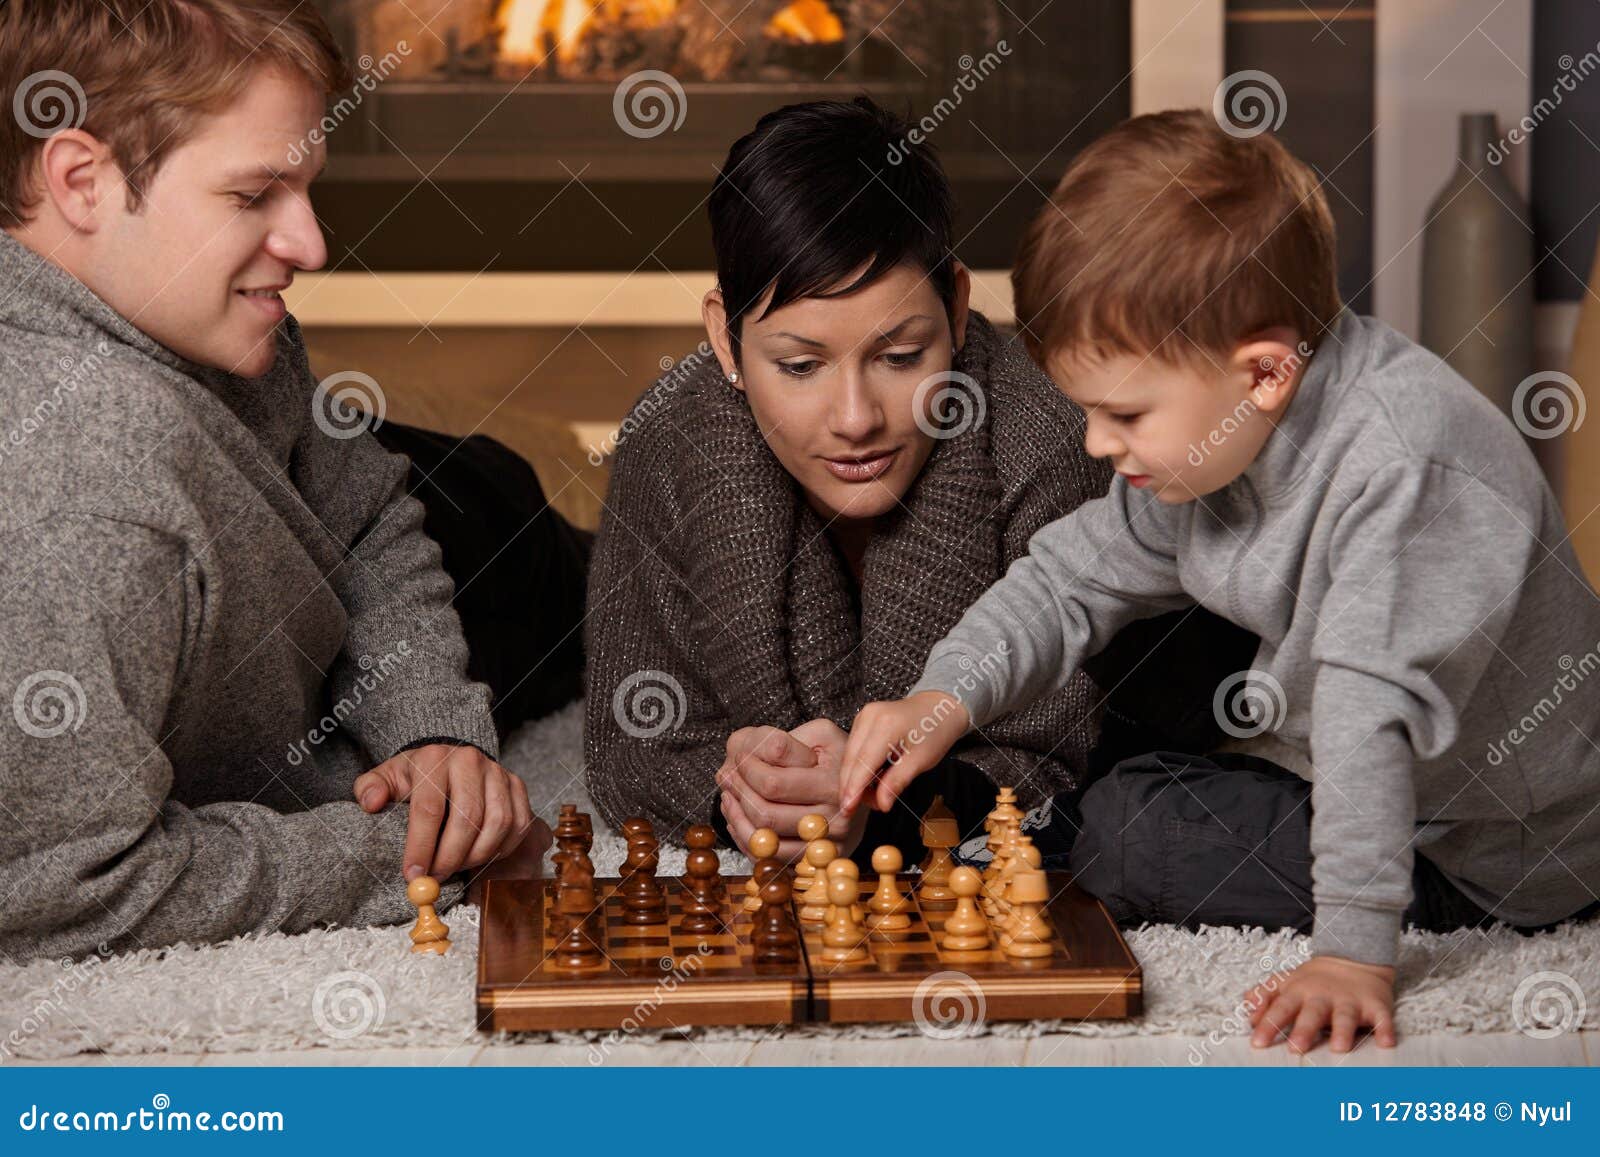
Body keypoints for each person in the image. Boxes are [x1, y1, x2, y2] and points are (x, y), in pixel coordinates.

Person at [838, 109, 1600, 1053]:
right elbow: (1069, 576)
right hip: (1347, 769)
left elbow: (1370, 721)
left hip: (1490, 847)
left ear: (1265, 371)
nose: (1095, 444)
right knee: (1136, 750)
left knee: (1130, 832)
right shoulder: (1223, 435)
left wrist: (1354, 952)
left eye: (1122, 412)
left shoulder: (1406, 470)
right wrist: (943, 695)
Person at [0, 0, 550, 962]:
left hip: (387, 538)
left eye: (304, 188)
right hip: (295, 595)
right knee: (556, 557)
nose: (311, 244)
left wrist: (430, 726)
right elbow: (57, 889)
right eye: (254, 196)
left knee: (509, 495)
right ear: (81, 179)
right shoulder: (86, 487)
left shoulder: (171, 303)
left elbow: (372, 505)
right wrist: (415, 851)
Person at [582, 98, 1255, 865]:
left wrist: (884, 808)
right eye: (800, 367)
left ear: (959, 307)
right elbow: (625, 745)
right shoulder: (668, 438)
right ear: (723, 338)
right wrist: (745, 792)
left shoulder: (1050, 434)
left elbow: (1062, 761)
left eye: (900, 356)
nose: (855, 418)